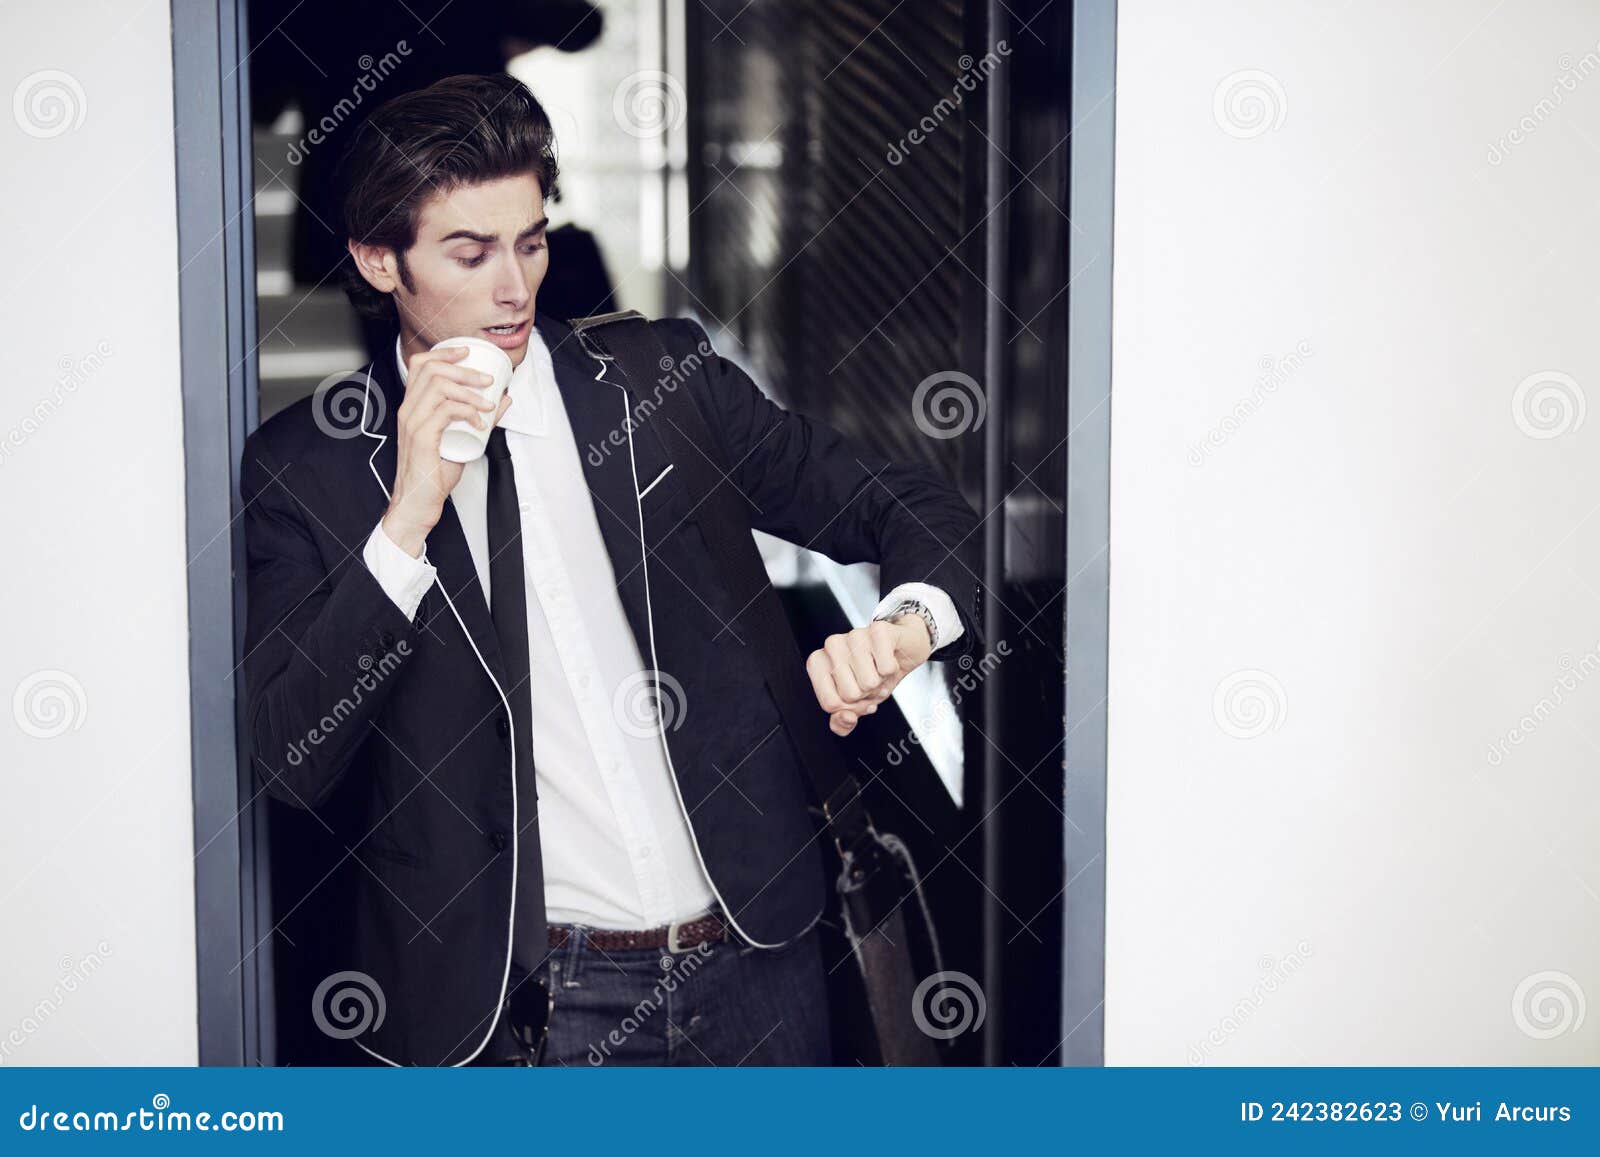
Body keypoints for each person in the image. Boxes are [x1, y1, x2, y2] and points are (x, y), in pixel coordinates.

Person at [239, 73, 982, 1067]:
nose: (514, 286)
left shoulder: (662, 383)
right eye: (470, 252)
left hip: (758, 959)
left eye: (532, 240)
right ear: (380, 260)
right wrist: (408, 513)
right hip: (528, 1007)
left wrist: (905, 627)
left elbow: (908, 505)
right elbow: (293, 759)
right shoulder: (308, 470)